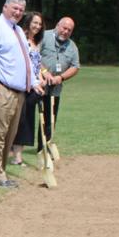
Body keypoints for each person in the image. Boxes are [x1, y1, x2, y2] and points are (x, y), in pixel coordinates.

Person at [0, 0, 32, 188]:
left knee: (10, 136)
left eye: (21, 10)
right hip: (2, 88)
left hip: (19, 93)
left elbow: (25, 60)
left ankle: (0, 171)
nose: (18, 13)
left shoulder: (18, 30)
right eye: (15, 8)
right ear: (5, 7)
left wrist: (33, 82)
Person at [9, 11, 47, 165]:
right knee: (21, 121)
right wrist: (33, 82)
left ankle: (17, 156)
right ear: (28, 22)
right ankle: (14, 155)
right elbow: (22, 64)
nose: (37, 26)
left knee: (28, 121)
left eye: (40, 24)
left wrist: (41, 78)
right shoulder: (21, 38)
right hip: (24, 87)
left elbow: (36, 65)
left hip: (36, 87)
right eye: (35, 23)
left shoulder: (36, 42)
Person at [39, 15, 80, 146]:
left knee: (50, 119)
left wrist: (60, 77)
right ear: (57, 25)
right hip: (36, 85)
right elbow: (33, 55)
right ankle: (15, 148)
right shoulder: (44, 36)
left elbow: (75, 66)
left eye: (69, 30)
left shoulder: (72, 46)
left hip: (54, 89)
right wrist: (44, 72)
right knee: (25, 116)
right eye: (64, 28)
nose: (66, 31)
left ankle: (44, 147)